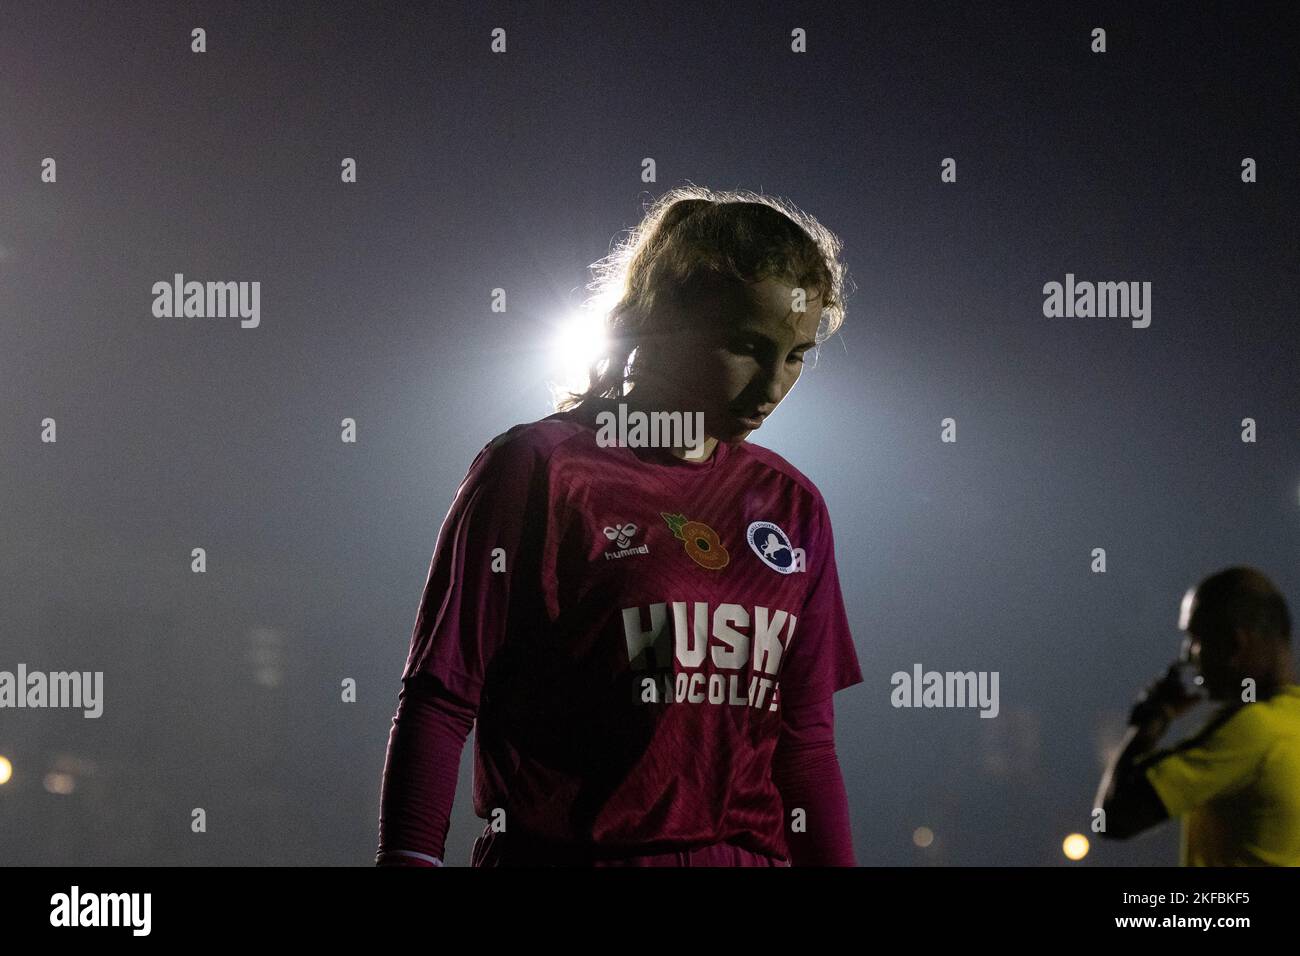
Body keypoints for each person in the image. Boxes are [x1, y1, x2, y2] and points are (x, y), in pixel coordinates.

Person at [375, 185, 864, 866]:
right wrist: (409, 859)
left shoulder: (791, 504)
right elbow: (441, 696)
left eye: (796, 356)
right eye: (747, 345)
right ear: (663, 321)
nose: (773, 384)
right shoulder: (538, 468)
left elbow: (805, 742)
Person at [1094, 566, 1300, 865]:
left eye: (1195, 638)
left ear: (1234, 644)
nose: (1188, 656)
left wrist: (1149, 723)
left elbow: (1112, 819)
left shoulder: (1252, 728)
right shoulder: (1289, 723)